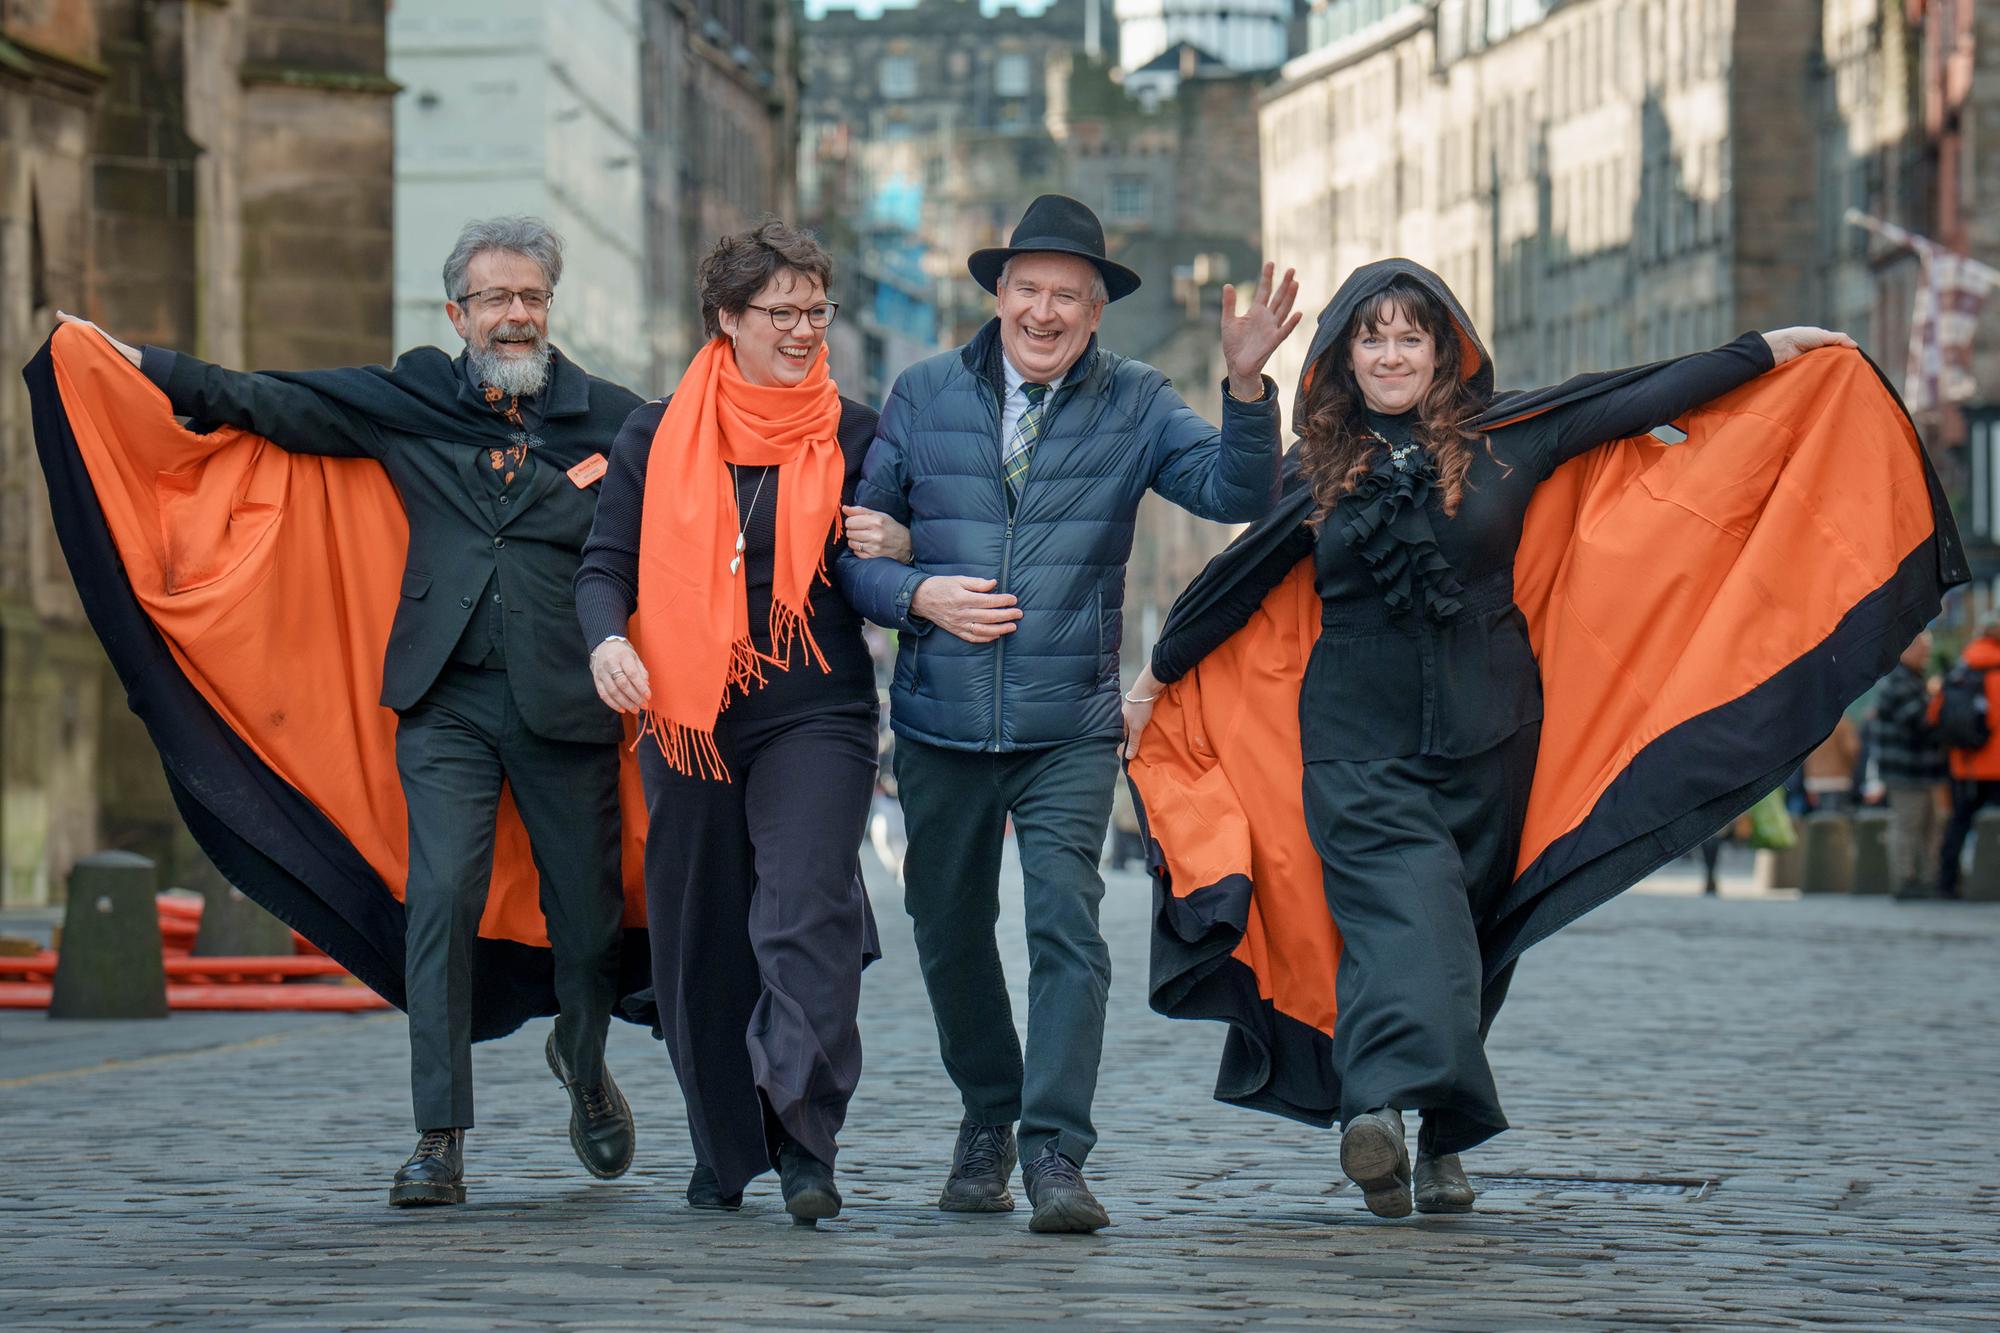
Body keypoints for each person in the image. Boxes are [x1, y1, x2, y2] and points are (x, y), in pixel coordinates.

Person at [1123, 258, 1884, 1220]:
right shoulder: (1314, 466)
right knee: (1407, 921)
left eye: (1410, 336)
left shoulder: (1511, 437)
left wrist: (1772, 349)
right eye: (1372, 337)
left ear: (1445, 351)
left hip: (1493, 736)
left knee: (1474, 941)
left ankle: (1440, 1143)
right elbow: (1233, 581)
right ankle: (1371, 1112)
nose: (1391, 354)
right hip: (1356, 742)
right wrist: (1153, 682)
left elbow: (1636, 394)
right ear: (1342, 356)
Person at [56, 216, 637, 1208]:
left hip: (566, 709)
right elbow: (267, 404)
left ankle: (580, 1061)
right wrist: (136, 363)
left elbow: (712, 472)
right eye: (494, 298)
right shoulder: (411, 398)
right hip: (443, 700)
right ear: (456, 313)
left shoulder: (611, 419)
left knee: (586, 926)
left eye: (531, 297)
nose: (515, 315)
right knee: (439, 899)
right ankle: (437, 1137)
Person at [838, 194, 1298, 1233]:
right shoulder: (919, 395)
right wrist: (918, 594)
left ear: (1095, 314)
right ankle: (987, 1114)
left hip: (1069, 723)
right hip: (939, 717)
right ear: (997, 296)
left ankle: (1052, 1148)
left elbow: (1235, 491)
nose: (1043, 312)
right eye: (1027, 291)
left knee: (1064, 924)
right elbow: (855, 560)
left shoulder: (1135, 400)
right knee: (948, 930)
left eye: (1067, 297)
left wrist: (1241, 382)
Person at [576, 221, 881, 1225]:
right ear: (725, 318)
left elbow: (893, 569)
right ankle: (725, 1139)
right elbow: (605, 566)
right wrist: (606, 642)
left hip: (816, 707)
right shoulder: (655, 432)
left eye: (814, 311)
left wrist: (900, 538)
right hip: (685, 716)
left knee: (804, 910)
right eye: (779, 312)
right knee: (703, 936)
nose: (802, 330)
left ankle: (802, 1138)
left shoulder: (857, 432)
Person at [1870, 629, 1948, 899]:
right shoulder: (1899, 681)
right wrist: (1937, 698)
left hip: (1919, 769)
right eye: (1922, 649)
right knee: (1907, 825)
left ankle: (1926, 878)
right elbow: (1919, 722)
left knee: (1927, 826)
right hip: (1904, 769)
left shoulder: (1912, 679)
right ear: (1906, 649)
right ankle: (1905, 880)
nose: (1926, 655)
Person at [1934, 624, 2000, 898]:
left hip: (1964, 765)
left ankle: (1947, 884)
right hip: (1996, 764)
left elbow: (1934, 715)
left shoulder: (1960, 671)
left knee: (1959, 823)